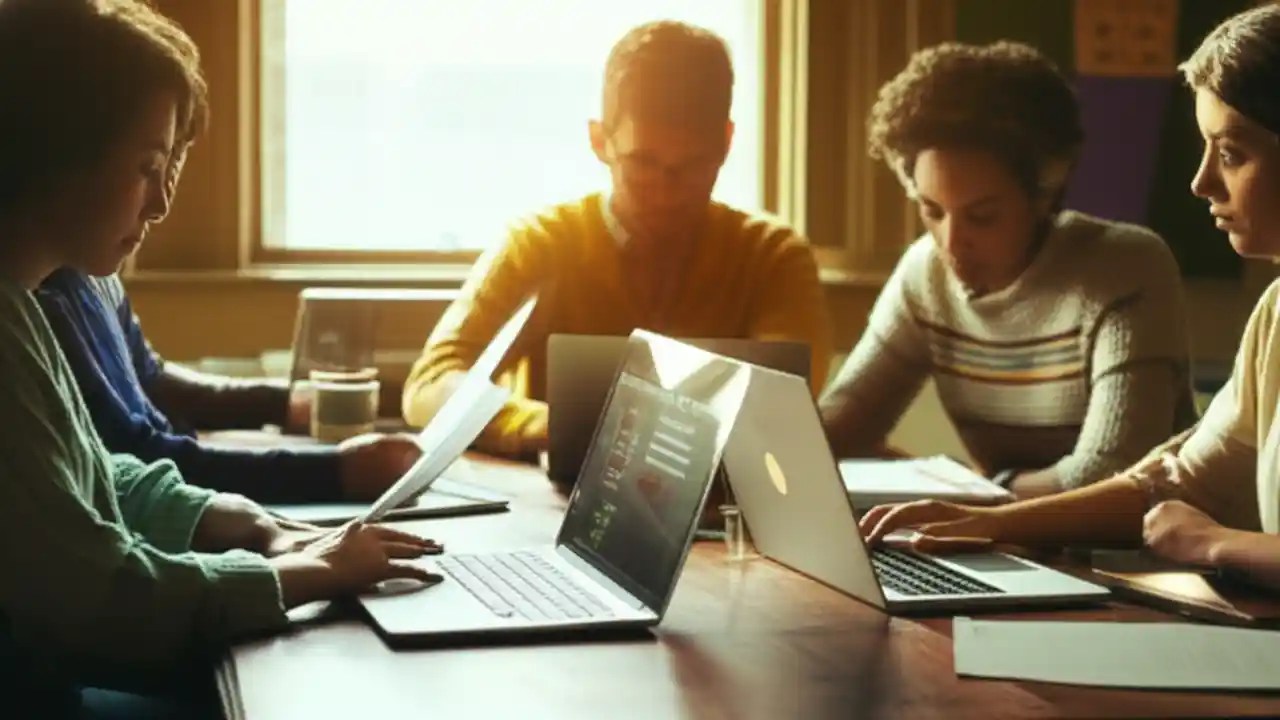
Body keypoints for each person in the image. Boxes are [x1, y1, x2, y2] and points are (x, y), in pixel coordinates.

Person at [0, 1, 441, 714]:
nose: (161, 204)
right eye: (148, 167)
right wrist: (308, 573)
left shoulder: (20, 302)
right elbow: (105, 603)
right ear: (58, 149)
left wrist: (232, 517)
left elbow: (89, 475)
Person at [859, 3, 1280, 593]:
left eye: (1231, 153)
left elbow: (1138, 488)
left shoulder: (1125, 264)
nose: (1201, 182)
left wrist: (1216, 542)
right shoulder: (1275, 313)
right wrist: (987, 522)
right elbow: (1178, 483)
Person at [402, 20, 832, 460]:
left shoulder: (773, 256)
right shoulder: (539, 243)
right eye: (642, 163)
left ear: (725, 143)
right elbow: (431, 384)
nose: (666, 192)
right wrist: (549, 425)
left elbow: (787, 400)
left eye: (692, 166)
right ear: (599, 140)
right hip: (551, 492)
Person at [819, 41, 1197, 499]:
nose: (951, 243)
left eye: (982, 217)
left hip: (1139, 541)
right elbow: (839, 424)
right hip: (997, 530)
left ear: (1044, 190)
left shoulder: (1124, 268)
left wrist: (979, 491)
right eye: (931, 210)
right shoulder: (925, 274)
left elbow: (1109, 474)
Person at [35, 267, 421, 504]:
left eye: (171, 169)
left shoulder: (94, 272)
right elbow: (139, 463)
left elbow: (152, 380)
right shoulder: (43, 297)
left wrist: (283, 403)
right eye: (145, 169)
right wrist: (334, 473)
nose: (161, 205)